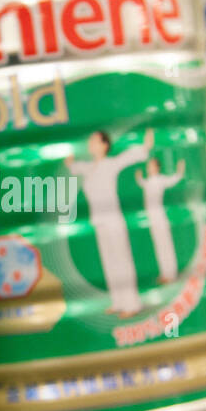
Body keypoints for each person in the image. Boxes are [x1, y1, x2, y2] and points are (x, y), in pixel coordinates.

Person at [67, 129, 153, 317]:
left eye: (94, 140)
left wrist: (145, 146)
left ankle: (132, 304)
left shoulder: (110, 164)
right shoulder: (89, 168)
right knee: (109, 262)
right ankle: (118, 301)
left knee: (122, 261)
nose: (90, 143)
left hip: (113, 219)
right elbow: (75, 167)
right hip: (99, 221)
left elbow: (128, 157)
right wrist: (70, 163)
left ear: (105, 145)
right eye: (90, 140)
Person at [136, 157, 186, 283]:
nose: (149, 168)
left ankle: (171, 273)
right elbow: (142, 183)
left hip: (159, 216)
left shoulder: (161, 180)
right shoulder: (149, 181)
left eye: (151, 166)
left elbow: (174, 179)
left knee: (165, 245)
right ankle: (165, 274)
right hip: (151, 218)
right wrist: (139, 177)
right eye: (148, 166)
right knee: (159, 246)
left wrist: (180, 170)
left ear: (157, 168)